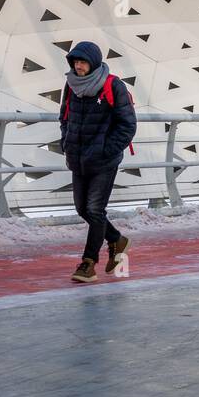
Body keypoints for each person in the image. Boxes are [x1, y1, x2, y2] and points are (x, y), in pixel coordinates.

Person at [59, 41, 137, 282]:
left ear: (93, 63)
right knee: (82, 209)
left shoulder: (113, 85)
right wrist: (66, 142)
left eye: (82, 62)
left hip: (103, 161)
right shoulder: (71, 85)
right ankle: (116, 239)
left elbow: (128, 125)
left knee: (94, 210)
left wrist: (106, 150)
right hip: (78, 158)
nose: (78, 66)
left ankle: (87, 264)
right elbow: (64, 116)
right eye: (75, 62)